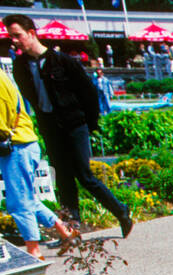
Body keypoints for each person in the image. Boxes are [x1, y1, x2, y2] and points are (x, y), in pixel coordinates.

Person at [4, 14, 131, 238]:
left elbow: (89, 94)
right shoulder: (21, 66)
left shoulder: (63, 61)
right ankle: (73, 229)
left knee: (84, 175)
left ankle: (121, 211)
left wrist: (90, 125)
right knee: (62, 178)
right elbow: (30, 99)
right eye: (11, 36)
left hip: (75, 125)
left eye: (17, 35)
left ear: (31, 33)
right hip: (51, 128)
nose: (13, 40)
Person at [0, 68, 77, 258]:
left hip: (17, 146)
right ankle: (65, 233)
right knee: (25, 197)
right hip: (24, 144)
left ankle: (34, 251)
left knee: (19, 203)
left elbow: (1, 123)